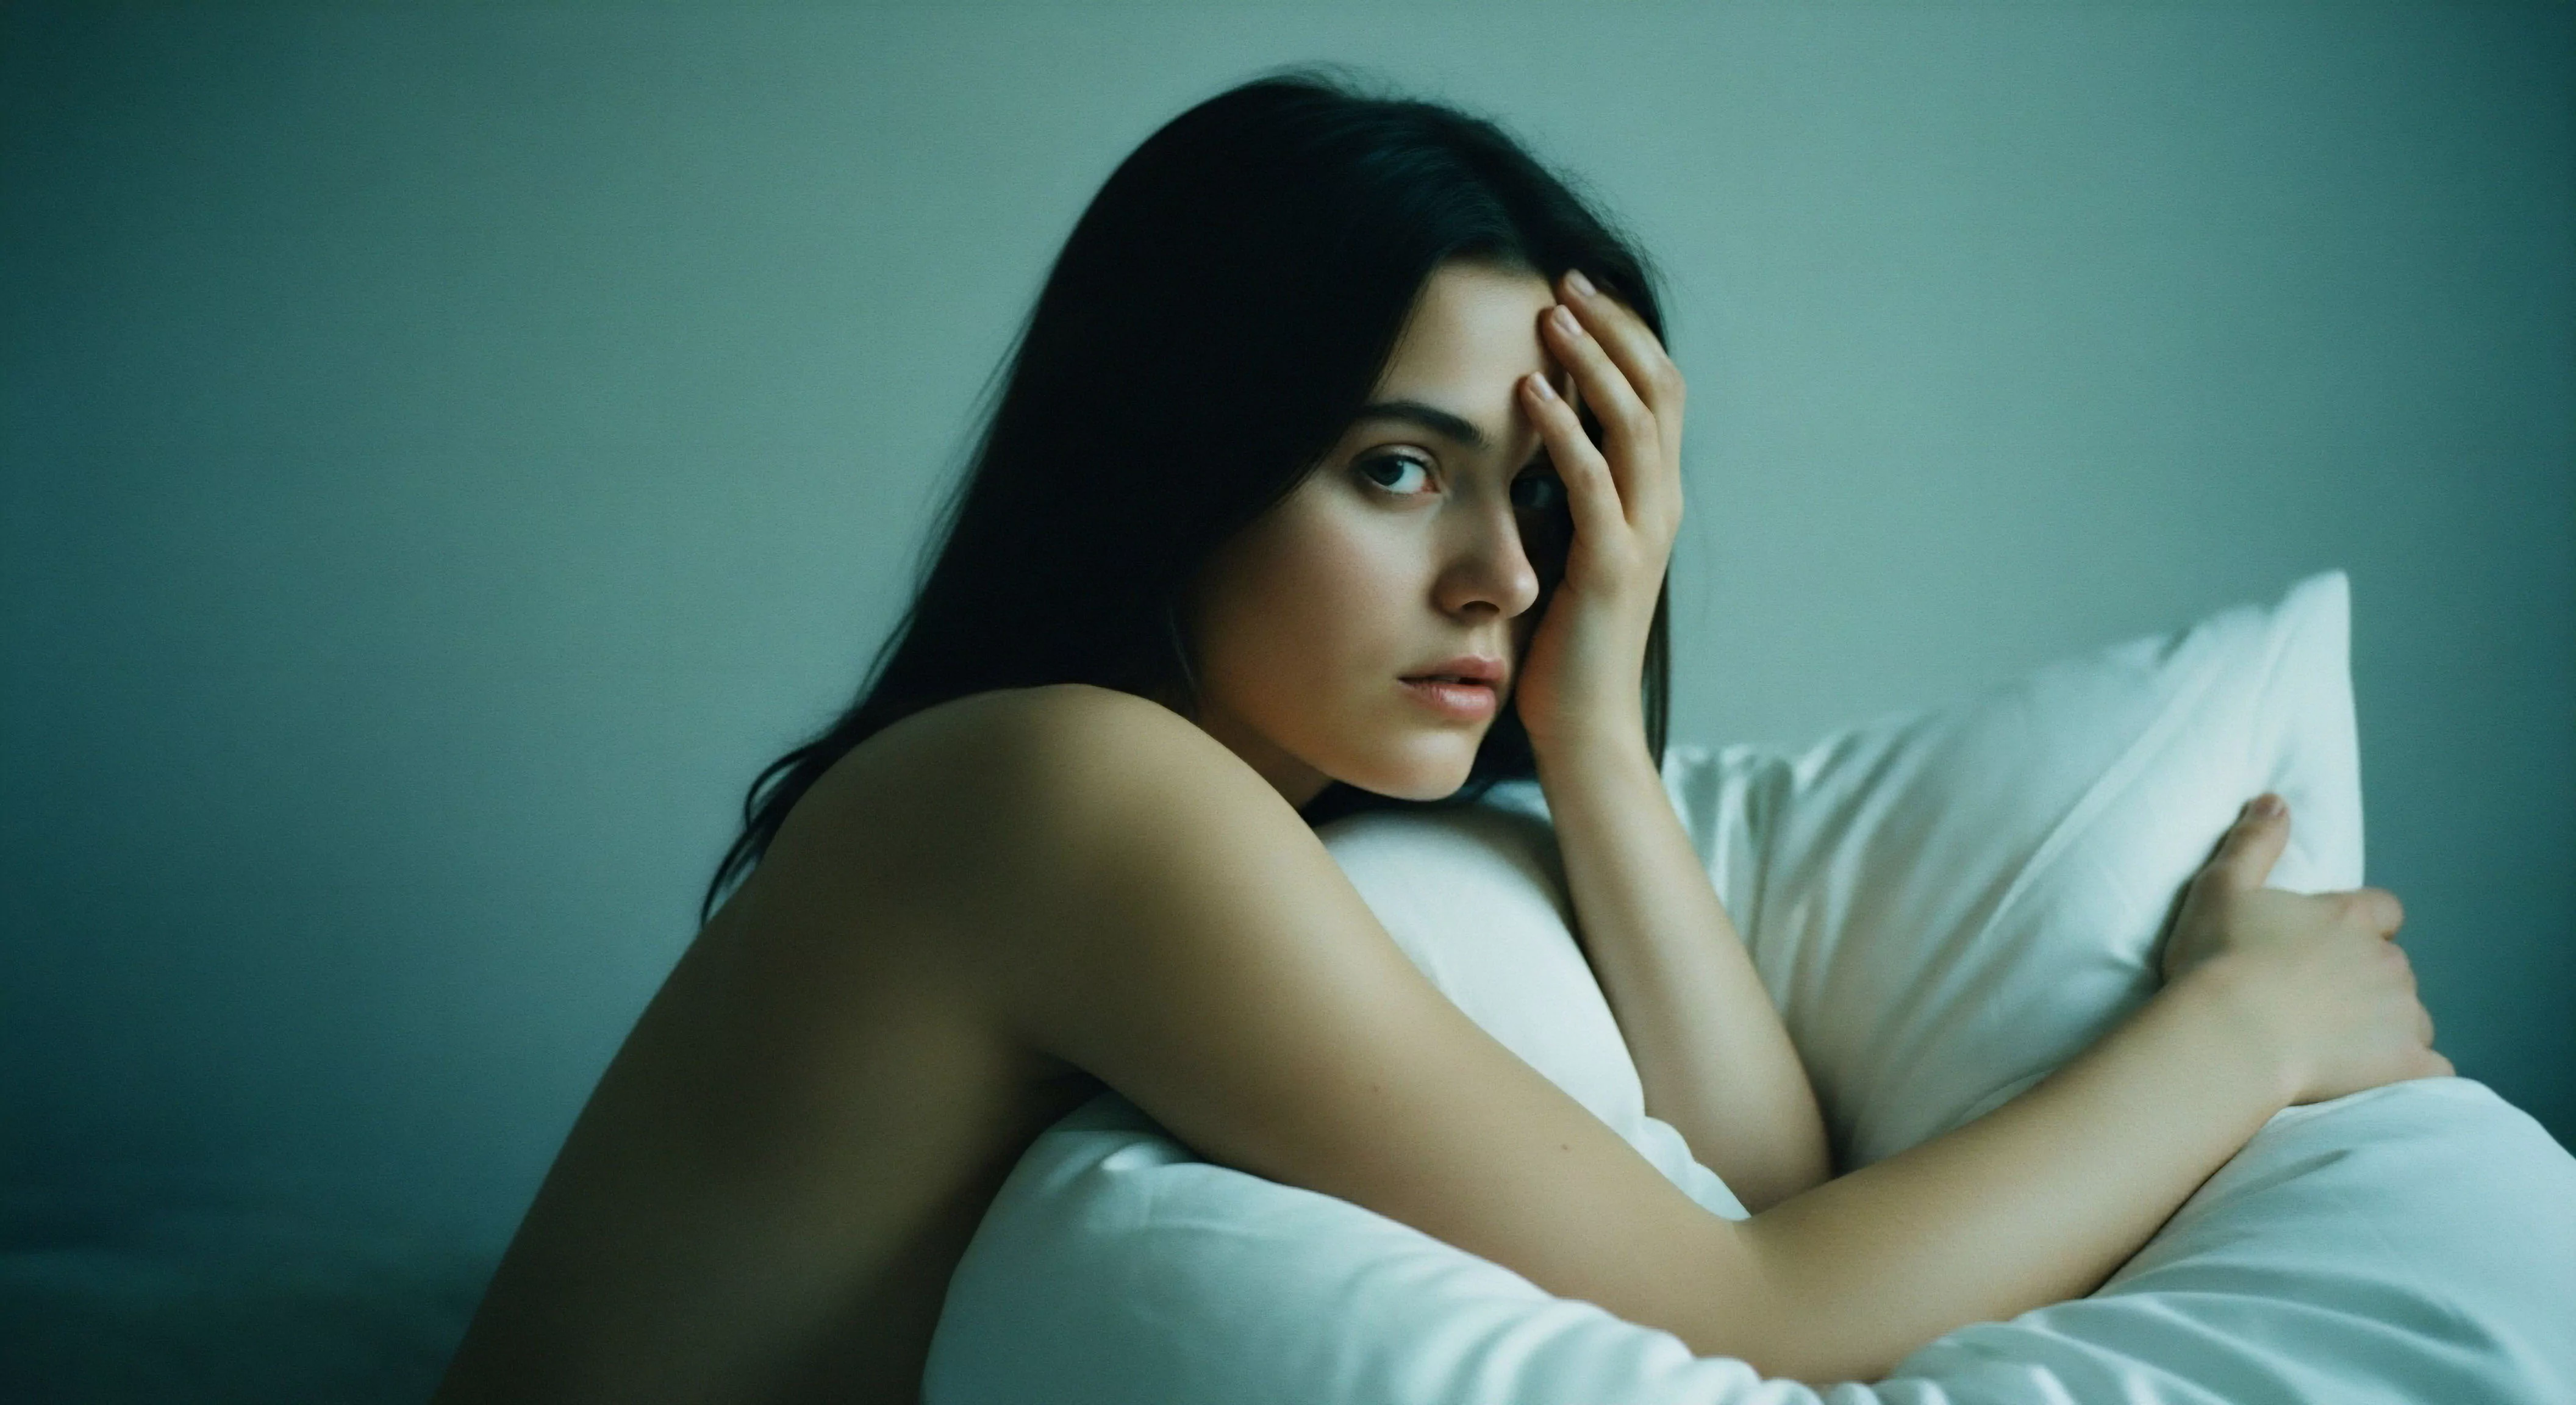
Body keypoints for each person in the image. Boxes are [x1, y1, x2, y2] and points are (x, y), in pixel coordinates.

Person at [429, 66, 2447, 1405]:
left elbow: (1751, 1182)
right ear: (1180, 459)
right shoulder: (1073, 788)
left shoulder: (1276, 822)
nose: (1501, 571)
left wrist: (1593, 725)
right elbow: (1764, 1315)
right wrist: (2245, 1033)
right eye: (1399, 470)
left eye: (1538, 492)